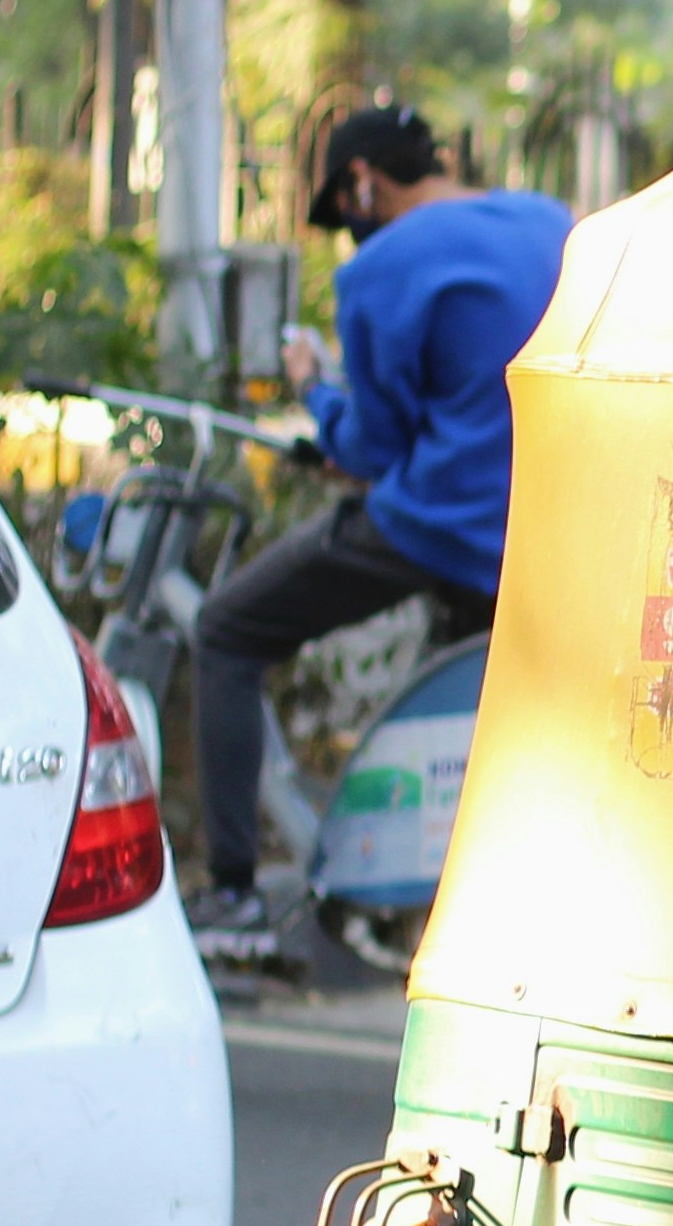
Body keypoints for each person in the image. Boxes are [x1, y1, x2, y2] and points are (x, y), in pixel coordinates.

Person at [181, 107, 570, 961]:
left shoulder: (382, 267)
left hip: (444, 524)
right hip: (548, 532)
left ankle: (235, 897)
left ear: (361, 181)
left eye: (342, 210)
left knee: (226, 630)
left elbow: (372, 446)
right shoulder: (551, 222)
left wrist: (315, 391)